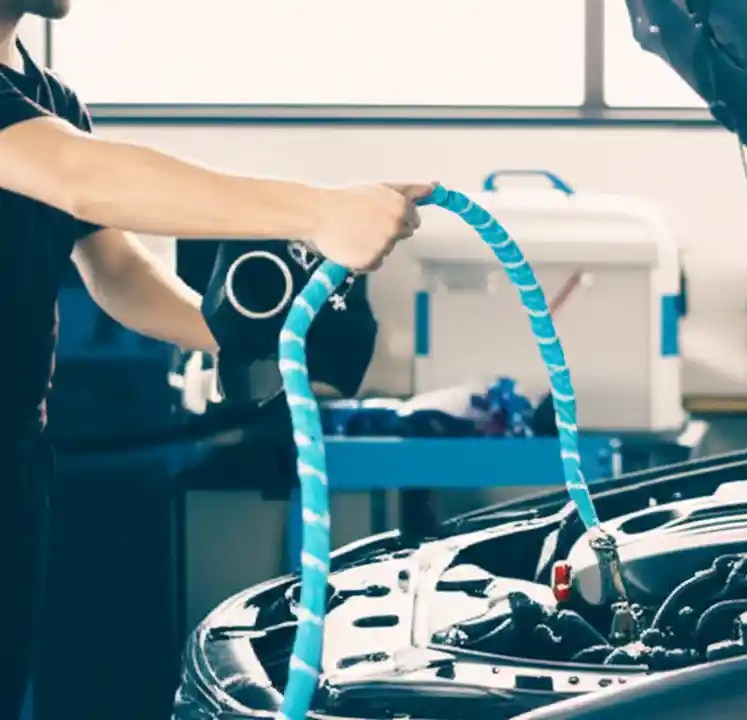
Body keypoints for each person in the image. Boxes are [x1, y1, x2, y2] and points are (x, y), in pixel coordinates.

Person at [0, 1, 434, 716]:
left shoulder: (49, 97)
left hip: (18, 461)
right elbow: (77, 175)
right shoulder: (43, 136)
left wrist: (259, 336)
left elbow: (118, 272)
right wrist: (319, 211)